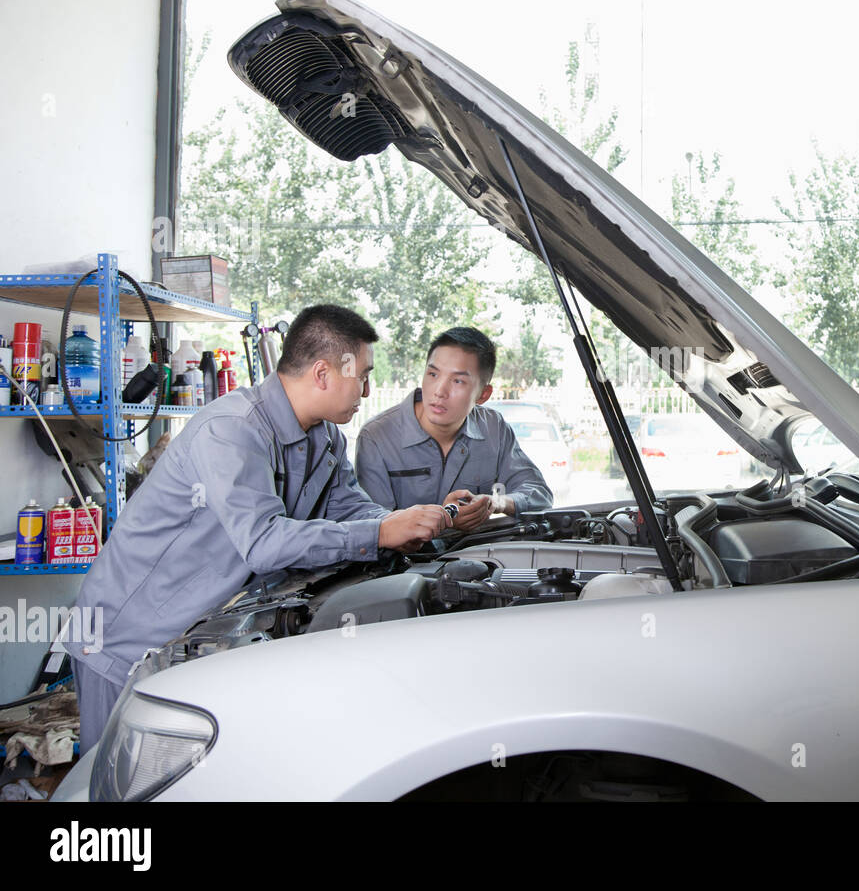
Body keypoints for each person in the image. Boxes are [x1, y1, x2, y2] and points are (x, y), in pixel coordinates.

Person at [68, 305, 454, 750]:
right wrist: (380, 533)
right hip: (123, 639)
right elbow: (264, 543)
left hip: (191, 636)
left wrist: (421, 521)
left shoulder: (325, 437)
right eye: (362, 376)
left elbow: (349, 508)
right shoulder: (232, 430)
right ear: (324, 373)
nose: (366, 390)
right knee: (117, 785)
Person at [354, 326, 552, 531]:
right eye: (432, 374)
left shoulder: (494, 428)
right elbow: (375, 528)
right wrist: (445, 519)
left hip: (477, 556)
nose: (439, 391)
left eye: (458, 381)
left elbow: (539, 495)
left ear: (483, 394)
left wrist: (495, 503)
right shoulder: (377, 437)